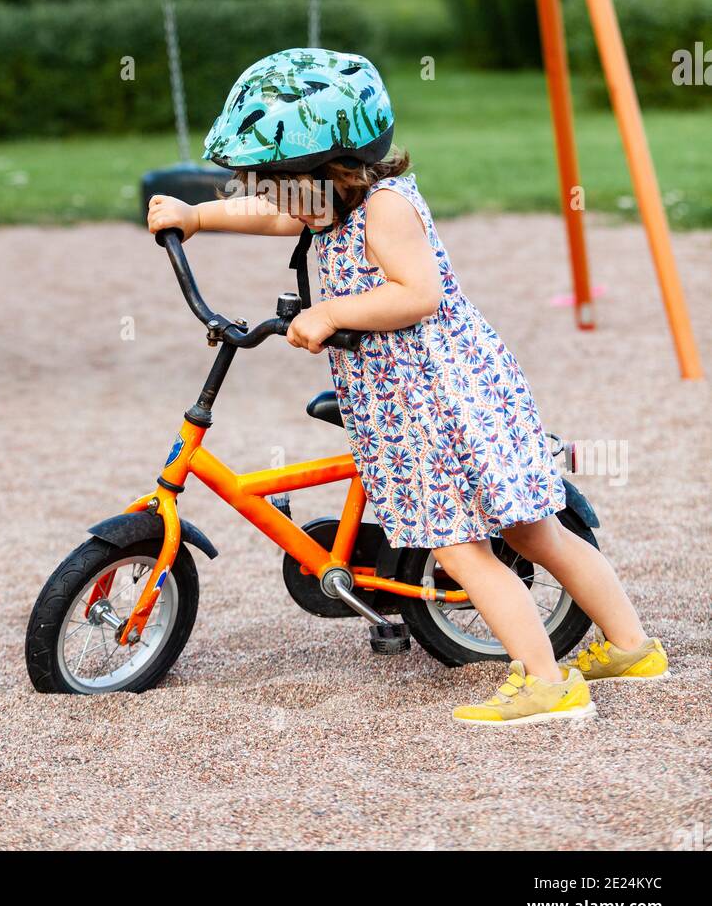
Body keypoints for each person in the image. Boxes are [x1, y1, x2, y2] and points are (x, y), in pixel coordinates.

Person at [148, 48, 668, 726]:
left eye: (274, 179)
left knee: (460, 545)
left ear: (323, 167)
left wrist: (331, 311)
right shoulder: (335, 198)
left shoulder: (387, 209)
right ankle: (633, 649)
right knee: (537, 531)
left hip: (432, 401)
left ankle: (546, 684)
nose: (273, 195)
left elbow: (416, 294)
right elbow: (278, 217)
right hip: (433, 393)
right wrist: (198, 216)